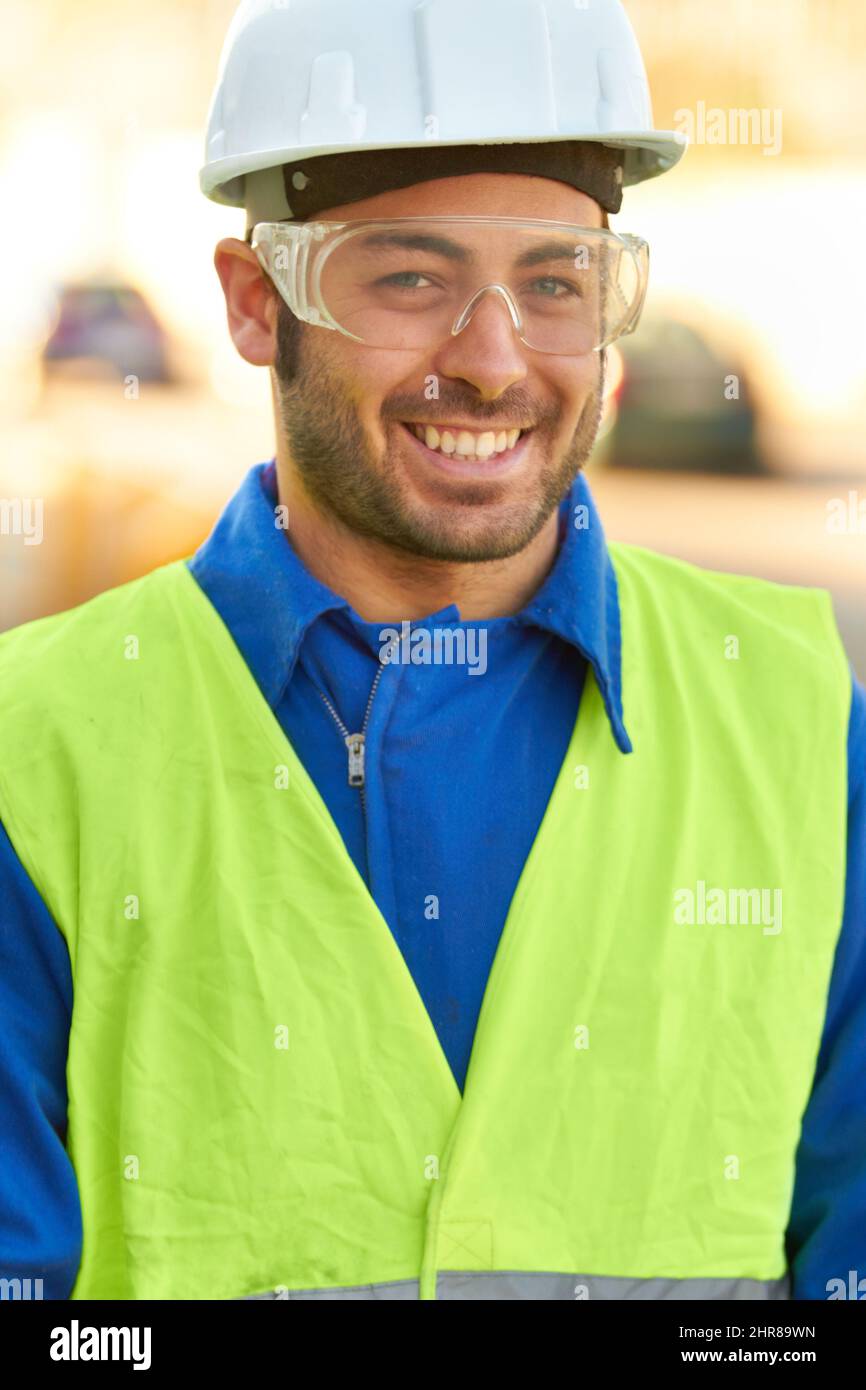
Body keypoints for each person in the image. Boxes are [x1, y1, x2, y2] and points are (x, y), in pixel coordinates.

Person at [0, 0, 863, 1302]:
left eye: (555, 283)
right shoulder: (37, 743)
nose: (491, 360)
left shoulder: (800, 721)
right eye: (409, 277)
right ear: (252, 301)